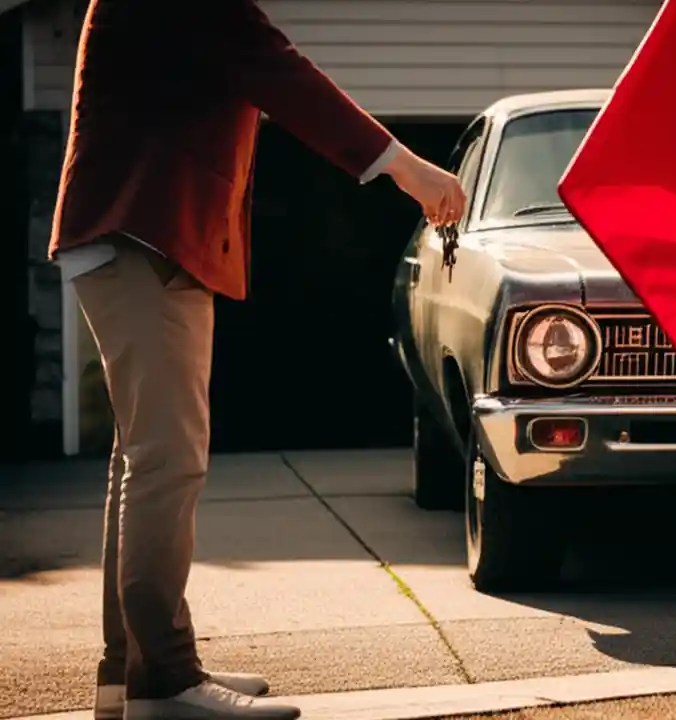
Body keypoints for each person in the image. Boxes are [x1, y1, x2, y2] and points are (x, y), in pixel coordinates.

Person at [48, 2, 465, 719]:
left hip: (138, 233)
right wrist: (406, 168)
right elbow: (279, 71)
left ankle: (131, 674)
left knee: (144, 458)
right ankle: (165, 683)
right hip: (143, 232)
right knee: (166, 459)